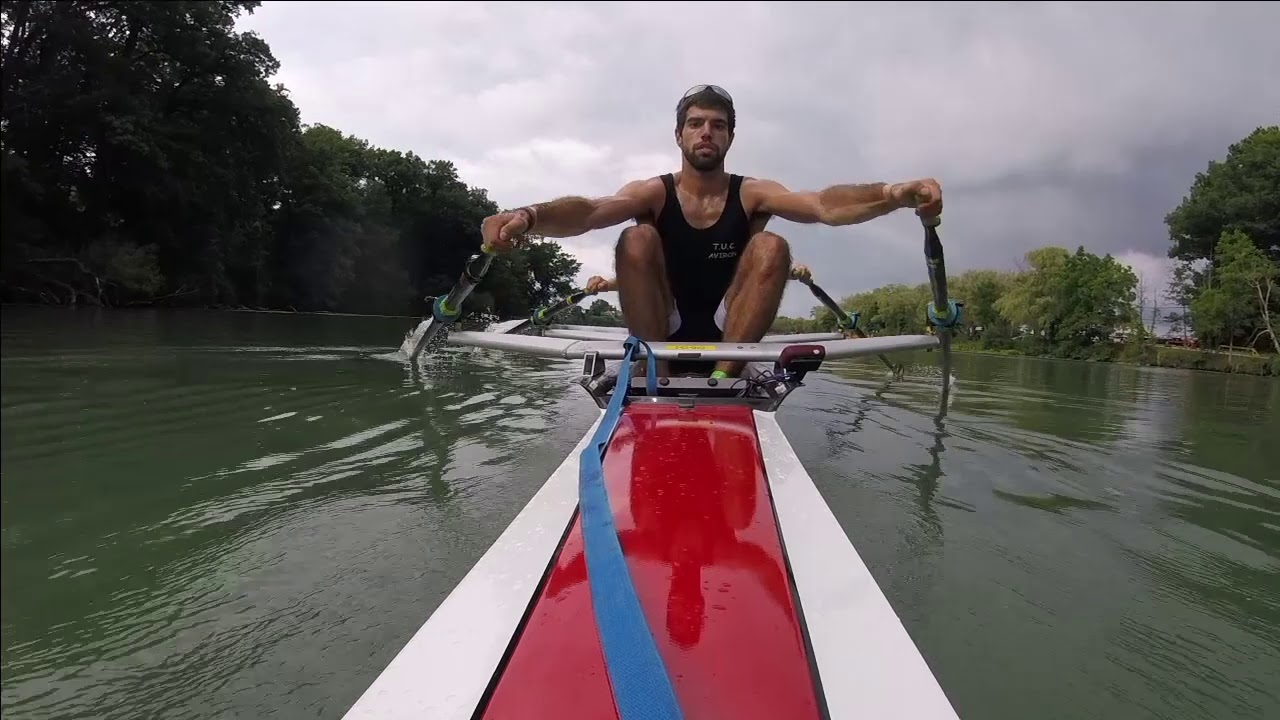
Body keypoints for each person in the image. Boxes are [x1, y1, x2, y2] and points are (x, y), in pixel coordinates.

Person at [478, 84, 942, 378]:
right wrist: (529, 216)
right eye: (695, 124)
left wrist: (893, 192)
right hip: (664, 321)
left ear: (730, 138)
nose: (706, 132)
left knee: (771, 245)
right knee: (635, 237)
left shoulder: (754, 193)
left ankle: (726, 376)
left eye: (717, 126)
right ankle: (648, 365)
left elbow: (822, 204)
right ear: (679, 136)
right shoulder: (652, 193)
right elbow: (591, 211)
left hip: (729, 328)